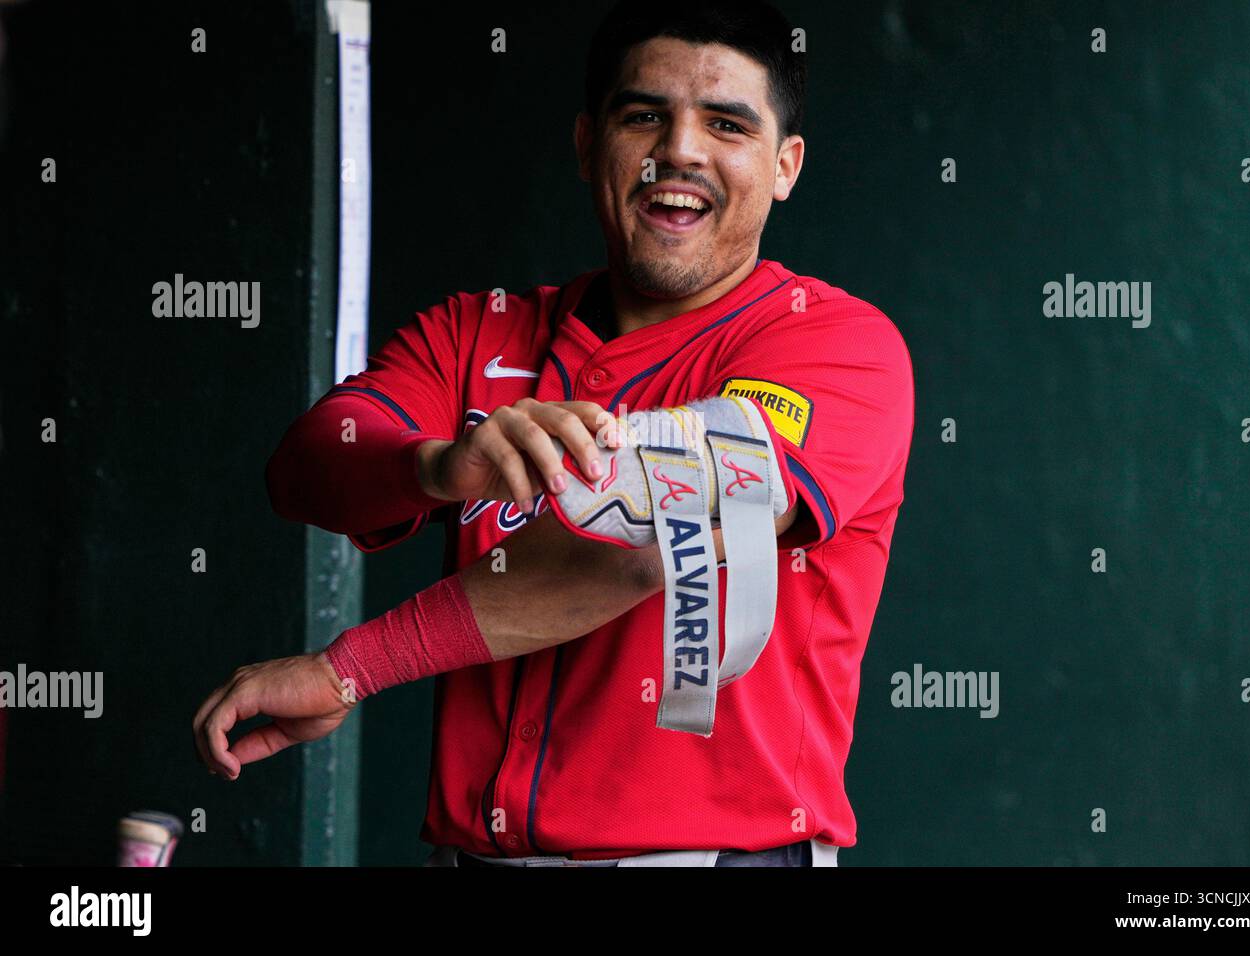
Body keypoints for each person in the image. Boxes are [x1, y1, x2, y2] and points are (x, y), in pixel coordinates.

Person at [192, 0, 914, 867]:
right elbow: (308, 464)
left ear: (785, 165)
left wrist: (351, 667)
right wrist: (435, 465)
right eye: (644, 115)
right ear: (585, 145)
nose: (679, 149)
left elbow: (642, 536)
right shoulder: (479, 329)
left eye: (726, 124)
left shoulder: (835, 343)